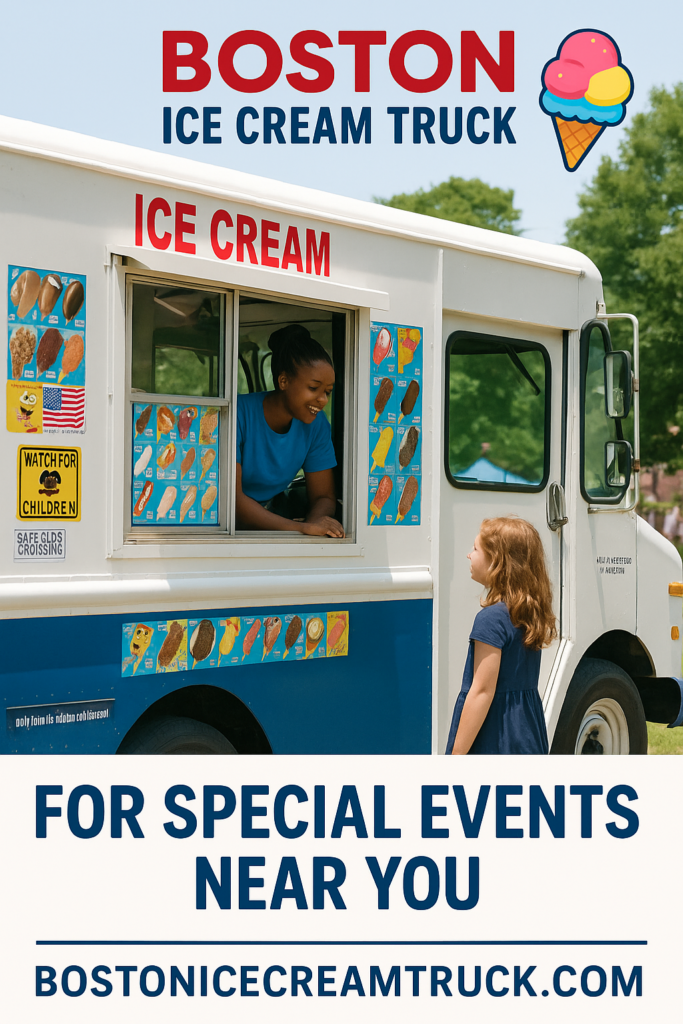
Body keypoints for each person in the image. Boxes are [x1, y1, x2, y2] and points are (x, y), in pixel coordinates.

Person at [447, 516, 556, 755]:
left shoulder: (491, 619)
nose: (469, 555)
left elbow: (482, 692)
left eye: (475, 549)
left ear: (497, 561)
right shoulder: (528, 613)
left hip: (495, 735)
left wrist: (456, 756)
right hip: (526, 731)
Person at [236, 324, 344, 537]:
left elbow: (323, 497)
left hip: (273, 520)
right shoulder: (238, 413)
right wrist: (302, 528)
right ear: (283, 381)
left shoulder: (316, 424)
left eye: (328, 392)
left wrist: (315, 524)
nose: (323, 400)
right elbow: (234, 501)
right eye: (313, 388)